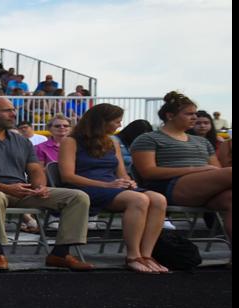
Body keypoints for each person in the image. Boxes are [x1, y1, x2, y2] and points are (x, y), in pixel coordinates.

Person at [0, 96, 92, 271]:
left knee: (77, 197)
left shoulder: (21, 141)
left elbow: (35, 169)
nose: (13, 114)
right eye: (7, 110)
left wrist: (39, 186)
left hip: (20, 190)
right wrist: (5, 188)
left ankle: (60, 253)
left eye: (13, 110)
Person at [58, 104, 168, 274]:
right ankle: (133, 256)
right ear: (102, 122)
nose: (120, 125)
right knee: (139, 199)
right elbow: (68, 176)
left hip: (112, 186)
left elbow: (122, 174)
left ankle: (146, 255)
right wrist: (107, 185)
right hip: (85, 187)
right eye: (117, 121)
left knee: (159, 199)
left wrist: (129, 182)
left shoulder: (112, 142)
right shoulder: (70, 141)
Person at [131, 91, 231, 242]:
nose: (194, 117)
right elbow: (148, 172)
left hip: (204, 189)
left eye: (195, 114)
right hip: (170, 187)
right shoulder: (148, 139)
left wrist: (204, 171)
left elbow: (216, 170)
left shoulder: (202, 142)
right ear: (170, 116)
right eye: (189, 114)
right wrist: (196, 169)